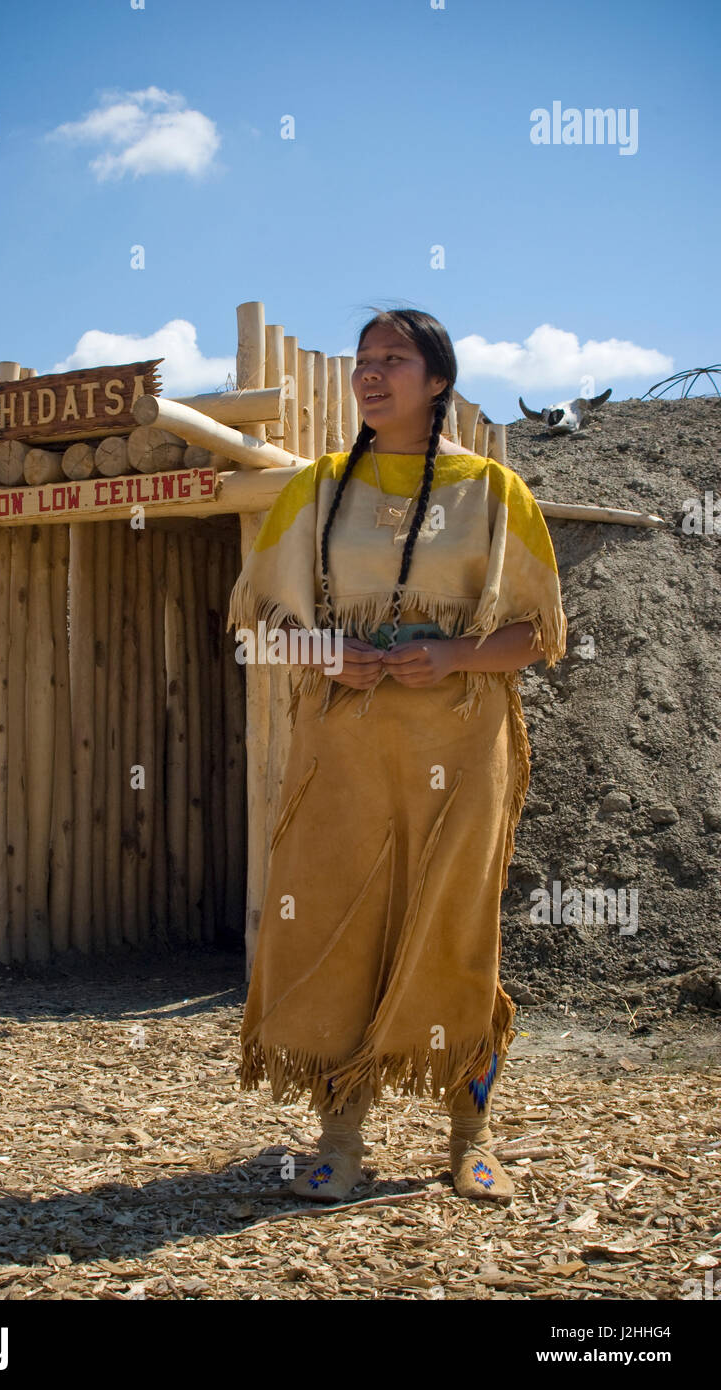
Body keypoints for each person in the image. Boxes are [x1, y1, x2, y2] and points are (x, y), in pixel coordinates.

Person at [225, 308, 567, 1204]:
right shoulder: (315, 490)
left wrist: (455, 653)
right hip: (344, 745)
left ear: (439, 379)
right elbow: (260, 625)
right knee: (338, 923)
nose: (371, 375)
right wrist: (327, 653)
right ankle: (339, 1135)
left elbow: (540, 633)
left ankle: (470, 1131)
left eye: (394, 360)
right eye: (363, 361)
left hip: (462, 737)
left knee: (456, 925)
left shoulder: (494, 490)